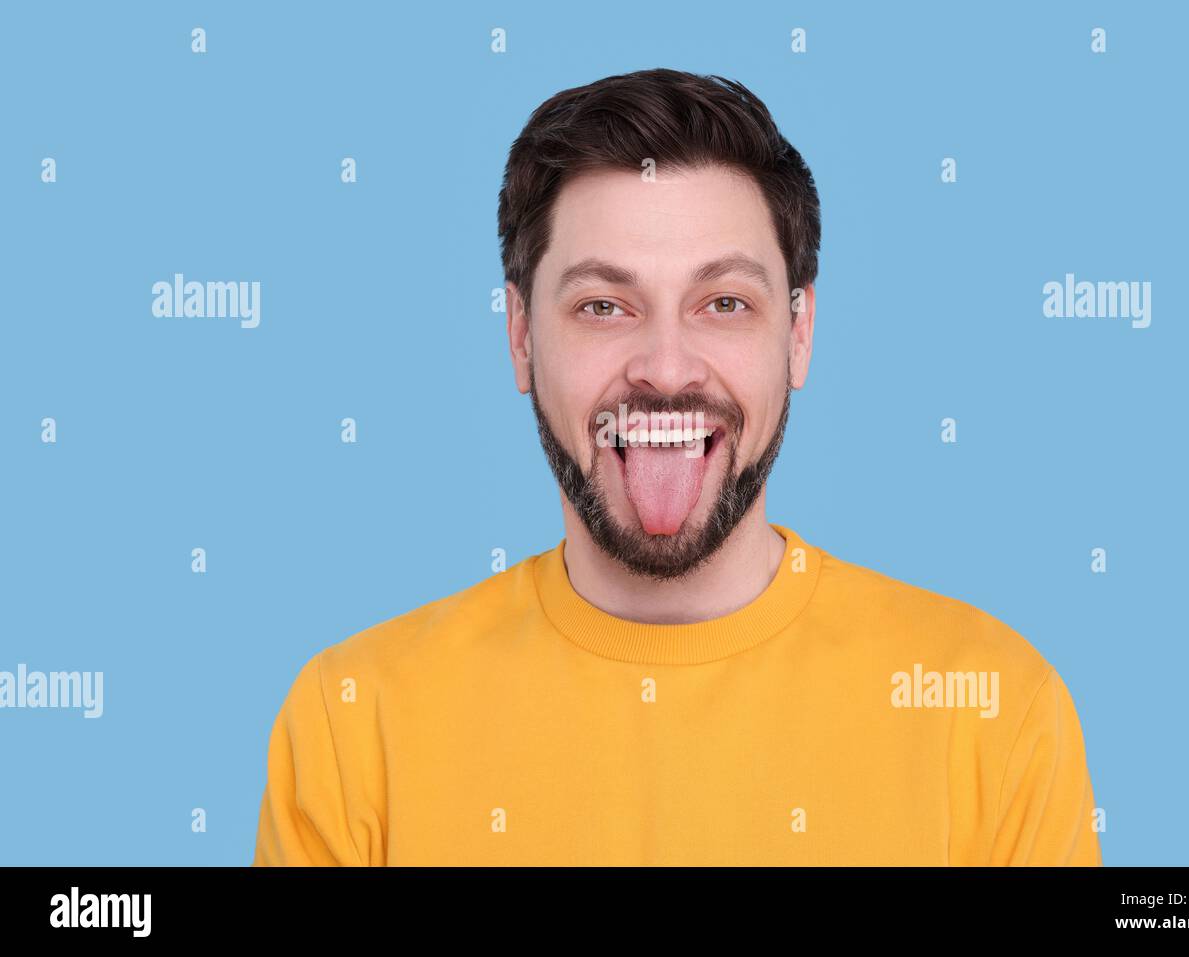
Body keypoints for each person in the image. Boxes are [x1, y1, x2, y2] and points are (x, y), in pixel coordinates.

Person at [253, 68, 1101, 866]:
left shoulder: (992, 710)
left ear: (799, 334)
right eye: (603, 306)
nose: (665, 366)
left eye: (724, 302)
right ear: (520, 337)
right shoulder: (351, 722)